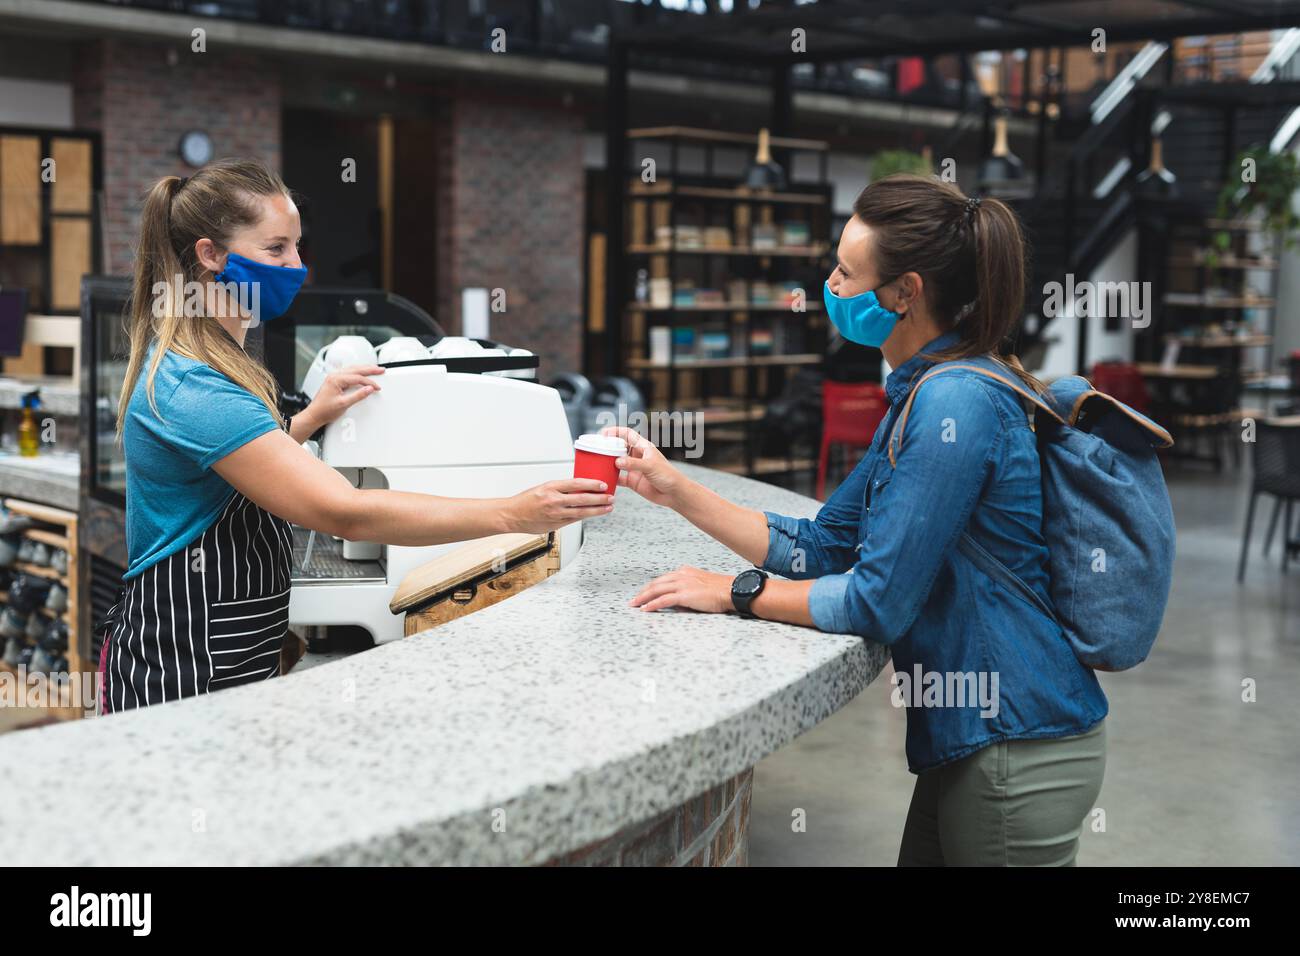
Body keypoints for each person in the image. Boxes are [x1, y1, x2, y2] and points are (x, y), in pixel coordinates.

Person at [606, 174, 1107, 866]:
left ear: (905, 292)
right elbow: (822, 545)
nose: (830, 287)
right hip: (979, 740)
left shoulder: (953, 404)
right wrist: (673, 487)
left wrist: (736, 592)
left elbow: (878, 599)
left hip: (1015, 745)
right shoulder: (926, 390)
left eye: (846, 271)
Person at [101, 158, 612, 714]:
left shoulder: (218, 357)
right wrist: (514, 514)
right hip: (181, 661)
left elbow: (240, 461)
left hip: (225, 643)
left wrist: (313, 416)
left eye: (297, 247)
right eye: (276, 250)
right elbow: (344, 512)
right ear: (211, 255)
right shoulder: (194, 384)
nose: (297, 266)